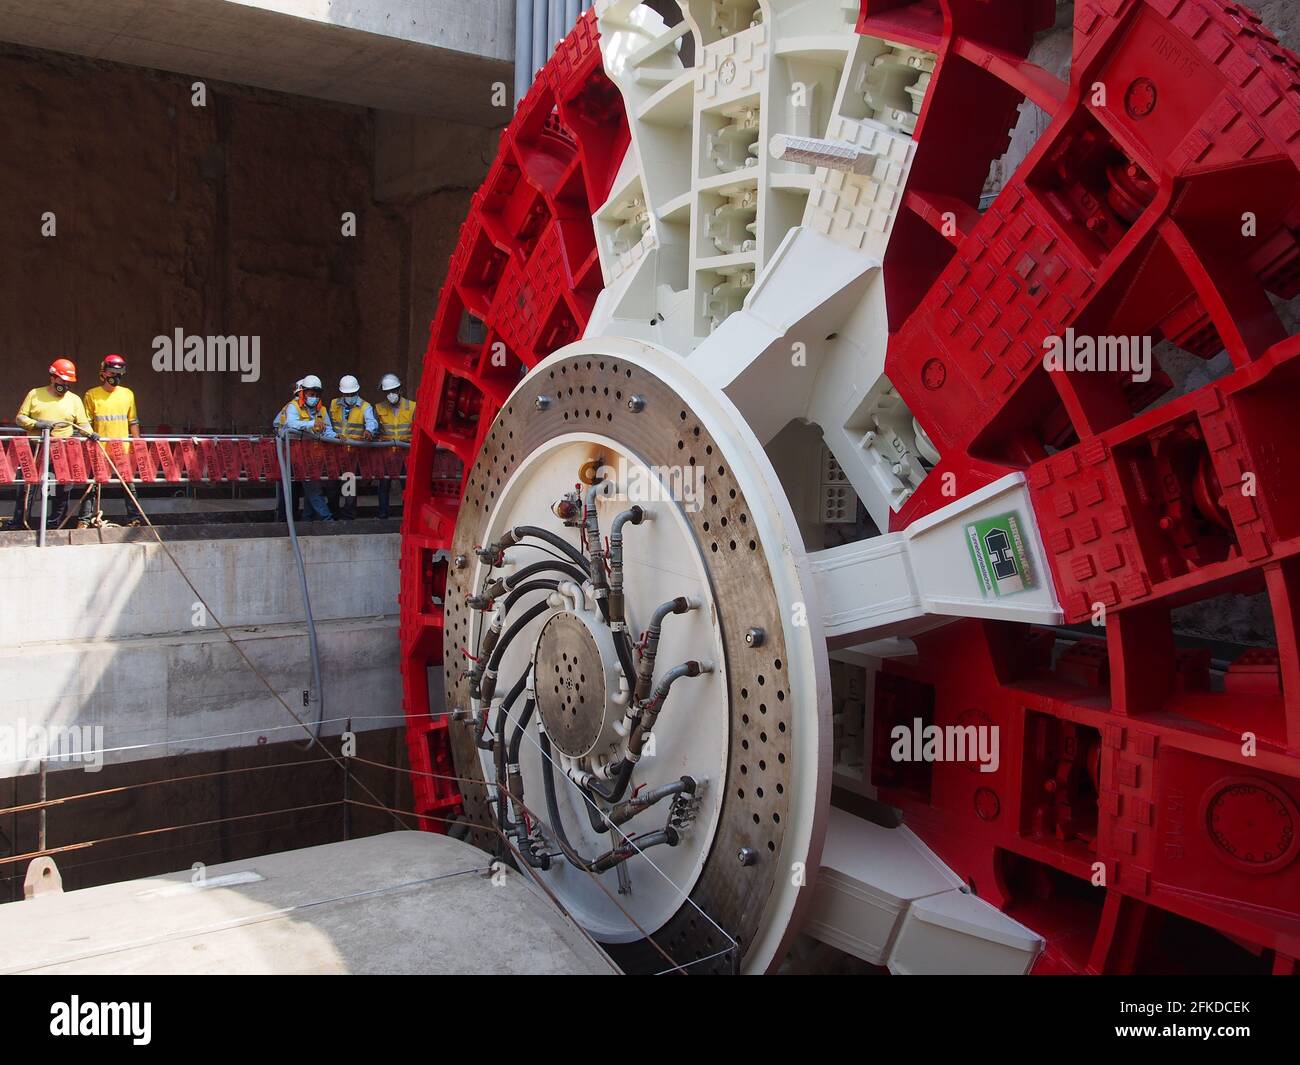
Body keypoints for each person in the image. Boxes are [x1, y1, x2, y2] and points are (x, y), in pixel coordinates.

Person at [10, 358, 93, 530]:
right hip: (36, 449)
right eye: (62, 380)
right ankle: (20, 522)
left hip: (62, 449)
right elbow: (20, 418)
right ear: (53, 377)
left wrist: (91, 433)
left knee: (61, 487)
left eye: (69, 382)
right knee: (28, 486)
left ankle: (56, 523)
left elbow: (83, 424)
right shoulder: (35, 394)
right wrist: (36, 424)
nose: (65, 384)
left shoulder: (74, 400)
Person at [78, 354, 146, 528]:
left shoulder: (127, 394)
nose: (116, 377)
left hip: (122, 449)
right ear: (104, 373)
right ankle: (84, 520)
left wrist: (137, 445)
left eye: (119, 372)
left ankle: (134, 518)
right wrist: (90, 435)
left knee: (128, 485)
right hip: (99, 448)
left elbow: (133, 421)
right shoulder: (92, 395)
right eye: (112, 372)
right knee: (93, 485)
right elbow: (85, 422)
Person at [273, 374, 335, 521]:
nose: (313, 397)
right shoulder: (292, 407)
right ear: (303, 394)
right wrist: (311, 425)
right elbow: (291, 423)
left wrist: (337, 438)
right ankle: (327, 520)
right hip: (293, 454)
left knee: (310, 489)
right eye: (310, 394)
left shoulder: (322, 410)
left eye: (316, 395)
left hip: (313, 456)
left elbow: (328, 430)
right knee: (303, 490)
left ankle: (307, 520)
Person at [327, 375, 376, 521]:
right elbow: (328, 423)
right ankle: (333, 515)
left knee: (349, 489)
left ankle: (349, 517)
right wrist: (335, 436)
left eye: (352, 394)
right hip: (335, 452)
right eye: (347, 394)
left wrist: (369, 431)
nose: (349, 397)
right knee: (332, 487)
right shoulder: (334, 404)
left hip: (352, 455)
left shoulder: (365, 407)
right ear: (342, 393)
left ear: (357, 392)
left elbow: (371, 422)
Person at [373, 373, 415, 520]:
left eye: (393, 391)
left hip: (406, 453)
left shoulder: (412, 407)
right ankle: (383, 515)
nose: (391, 394)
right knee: (384, 485)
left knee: (407, 486)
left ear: (400, 390)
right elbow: (376, 430)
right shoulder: (379, 408)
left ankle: (408, 515)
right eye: (387, 392)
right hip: (387, 453)